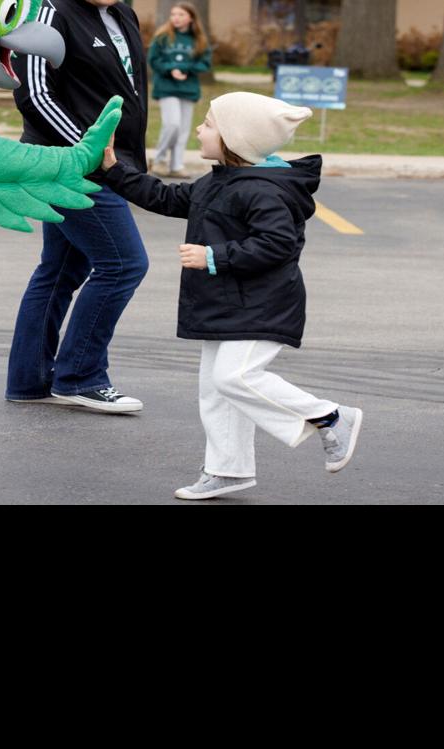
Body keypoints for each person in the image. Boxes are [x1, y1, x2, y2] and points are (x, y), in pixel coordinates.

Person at [101, 92, 363, 500]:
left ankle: (329, 416)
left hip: (263, 303)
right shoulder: (219, 180)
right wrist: (116, 171)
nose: (201, 130)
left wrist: (212, 256)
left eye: (209, 124)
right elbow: (169, 198)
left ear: (235, 139)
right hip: (224, 302)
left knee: (235, 377)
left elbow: (278, 244)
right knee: (216, 388)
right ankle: (228, 470)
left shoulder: (264, 190)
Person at [6, 0, 152, 413]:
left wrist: (129, 159)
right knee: (123, 264)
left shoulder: (122, 13)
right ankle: (80, 377)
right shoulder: (48, 12)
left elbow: (128, 88)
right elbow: (34, 94)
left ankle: (29, 380)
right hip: (68, 166)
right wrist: (86, 152)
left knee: (61, 270)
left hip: (108, 163)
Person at [147, 2, 212, 177]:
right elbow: (153, 60)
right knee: (172, 124)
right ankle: (159, 160)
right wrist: (171, 69)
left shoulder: (199, 39)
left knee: (183, 130)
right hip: (166, 88)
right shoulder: (162, 37)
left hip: (188, 89)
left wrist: (186, 68)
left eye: (181, 14)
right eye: (173, 14)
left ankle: (176, 165)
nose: (176, 18)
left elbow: (204, 63)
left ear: (190, 17)